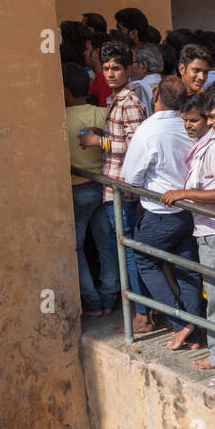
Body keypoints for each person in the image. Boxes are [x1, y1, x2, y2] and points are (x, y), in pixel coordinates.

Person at [160, 86, 215, 372]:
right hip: (208, 229)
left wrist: (184, 194)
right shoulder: (204, 147)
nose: (190, 125)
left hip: (214, 229)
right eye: (186, 120)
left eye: (195, 120)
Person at [120, 75, 207, 351]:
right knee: (187, 269)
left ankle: (180, 323)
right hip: (191, 210)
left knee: (145, 260)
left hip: (161, 212)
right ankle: (194, 334)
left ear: (155, 95)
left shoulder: (148, 131)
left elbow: (130, 177)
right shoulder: (190, 126)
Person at [78, 38, 150, 331]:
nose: (110, 73)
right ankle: (138, 310)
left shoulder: (130, 101)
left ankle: (142, 314)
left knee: (128, 248)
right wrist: (102, 133)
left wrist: (99, 141)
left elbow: (135, 146)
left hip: (124, 188)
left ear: (128, 69)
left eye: (116, 68)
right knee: (121, 246)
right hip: (113, 185)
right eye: (106, 68)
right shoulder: (113, 99)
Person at [63, 61, 119, 317]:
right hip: (102, 187)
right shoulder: (101, 112)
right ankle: (109, 297)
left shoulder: (60, 119)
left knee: (77, 248)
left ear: (64, 91)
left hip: (77, 189)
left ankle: (92, 300)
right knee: (105, 244)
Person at [129, 43, 164, 116]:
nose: (128, 67)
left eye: (131, 63)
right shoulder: (168, 85)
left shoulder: (136, 88)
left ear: (143, 66)